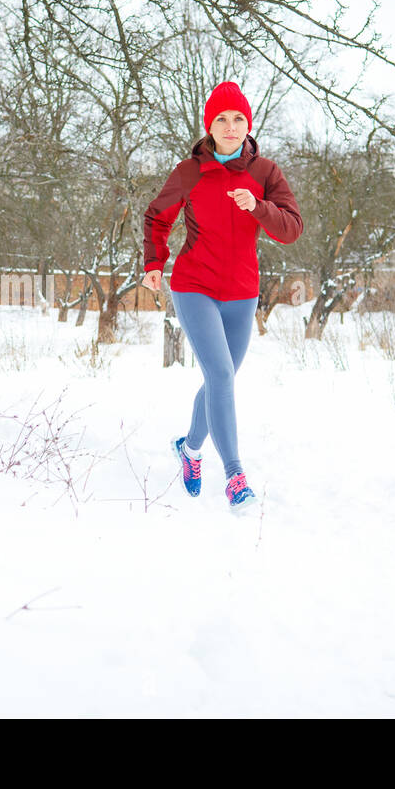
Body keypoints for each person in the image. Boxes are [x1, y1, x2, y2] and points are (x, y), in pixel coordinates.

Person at [141, 81, 303, 506]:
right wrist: (155, 263)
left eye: (238, 119)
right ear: (209, 125)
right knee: (221, 375)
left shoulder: (266, 173)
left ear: (248, 125)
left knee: (221, 377)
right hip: (194, 285)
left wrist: (258, 206)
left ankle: (189, 449)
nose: (230, 127)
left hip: (242, 291)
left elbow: (291, 229)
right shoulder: (190, 171)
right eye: (221, 120)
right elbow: (157, 217)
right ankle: (235, 477)